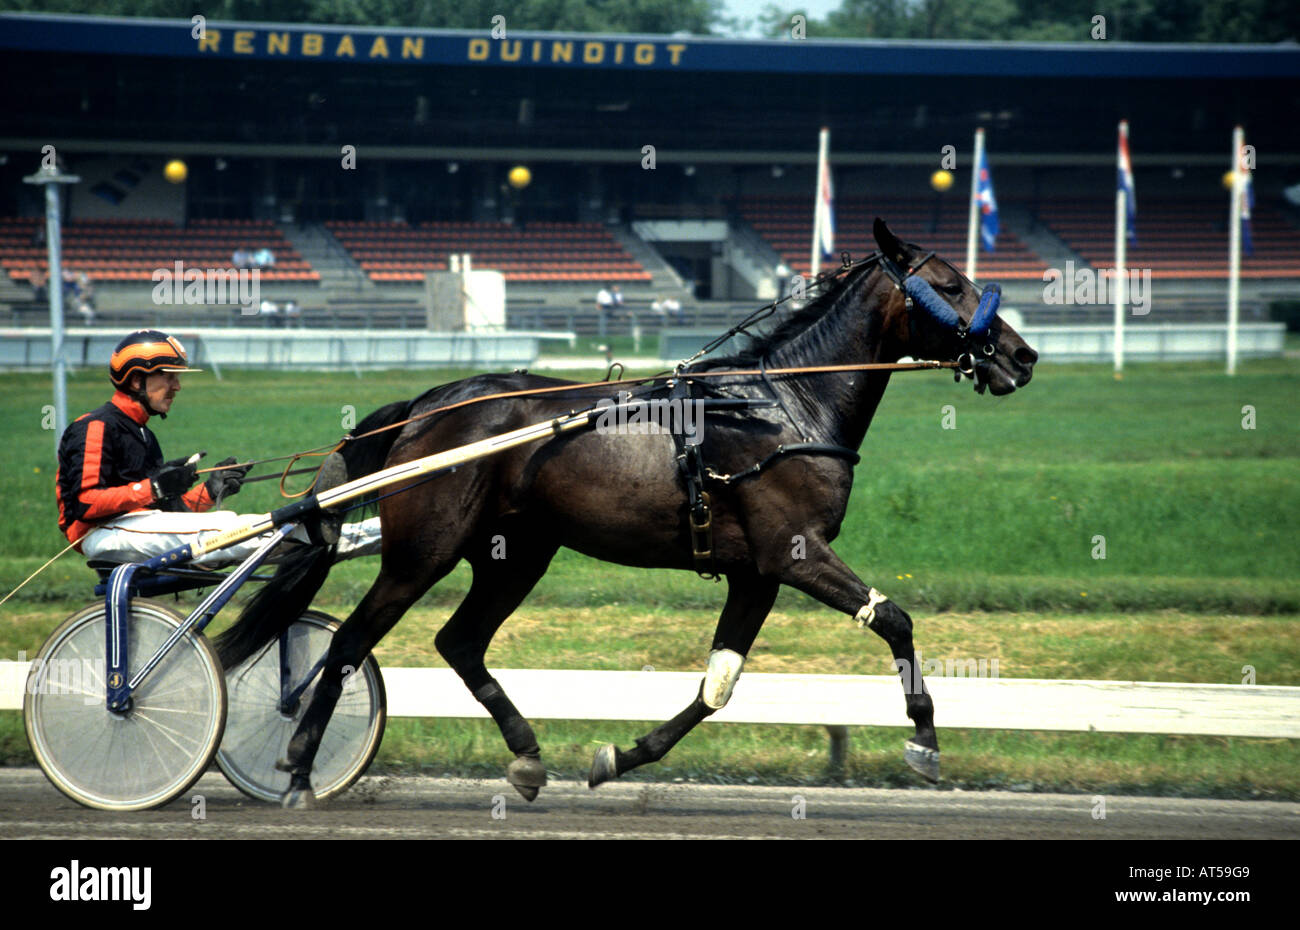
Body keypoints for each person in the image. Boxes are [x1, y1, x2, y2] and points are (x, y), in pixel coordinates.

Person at [55, 330, 380, 567]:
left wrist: (209, 491)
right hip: (99, 534)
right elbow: (84, 502)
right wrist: (152, 488)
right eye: (168, 376)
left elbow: (168, 517)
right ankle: (307, 530)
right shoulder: (95, 426)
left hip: (133, 529)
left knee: (228, 531)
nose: (177, 386)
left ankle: (379, 531)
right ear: (137, 380)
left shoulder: (145, 437)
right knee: (227, 529)